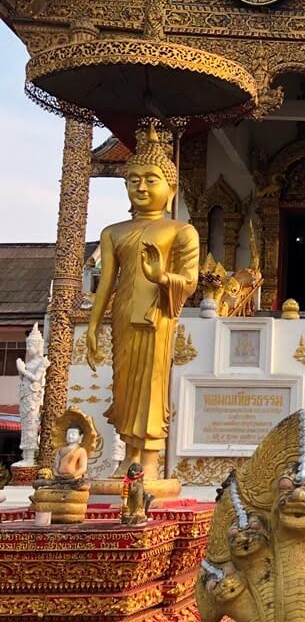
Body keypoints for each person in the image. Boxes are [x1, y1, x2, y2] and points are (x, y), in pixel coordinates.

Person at [86, 124, 199, 479]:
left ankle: (147, 460)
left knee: (150, 385)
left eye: (151, 179)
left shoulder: (180, 231)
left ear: (171, 187)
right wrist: (92, 325)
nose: (142, 187)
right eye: (134, 180)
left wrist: (160, 276)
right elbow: (106, 283)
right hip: (122, 316)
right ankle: (127, 455)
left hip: (157, 315)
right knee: (123, 385)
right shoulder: (113, 232)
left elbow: (190, 281)